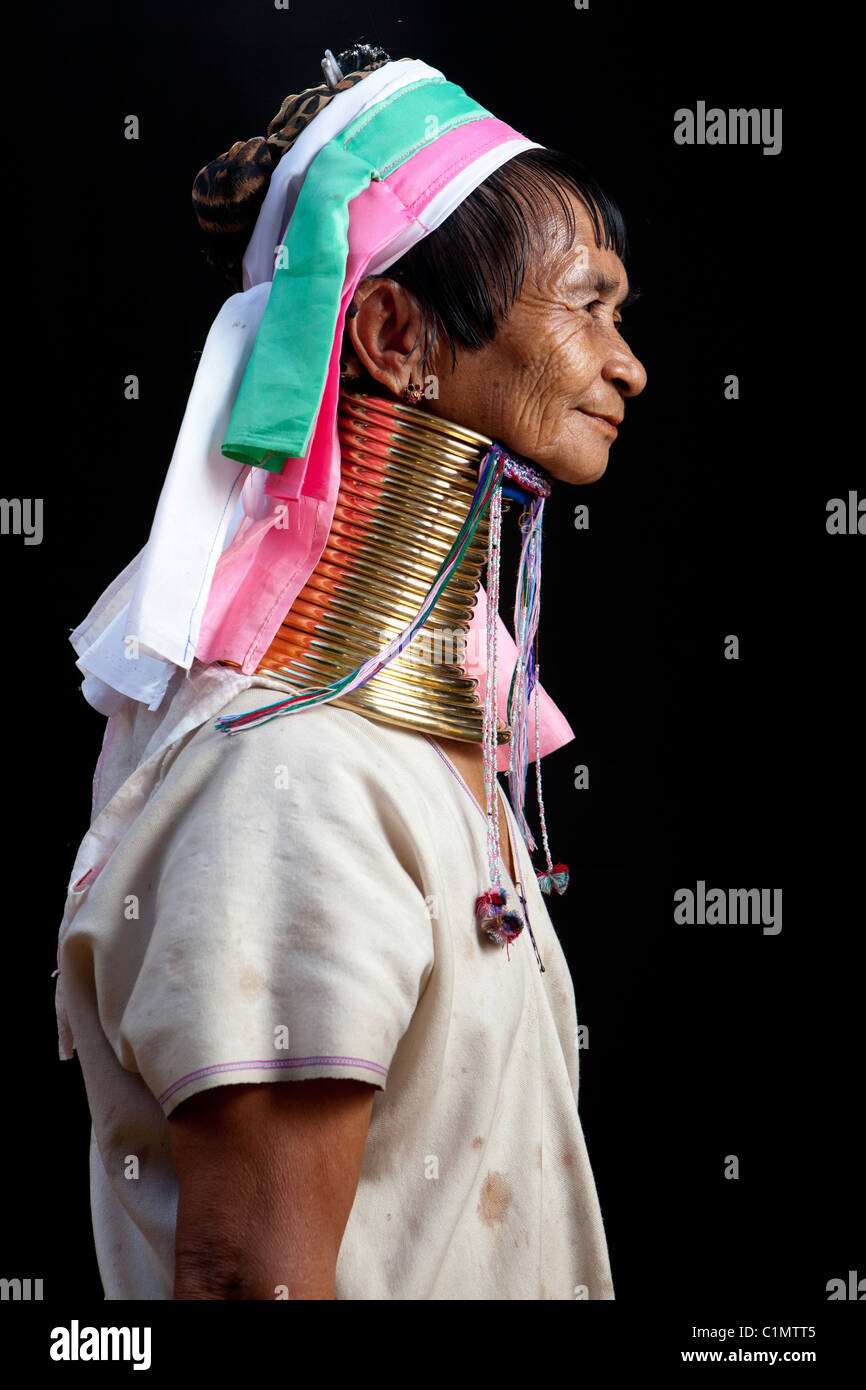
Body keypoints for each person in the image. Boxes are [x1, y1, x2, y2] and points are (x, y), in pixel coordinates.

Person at [55, 44, 646, 1301]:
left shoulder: (414, 768)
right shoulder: (295, 785)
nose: (625, 364)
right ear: (390, 332)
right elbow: (243, 1282)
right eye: (585, 305)